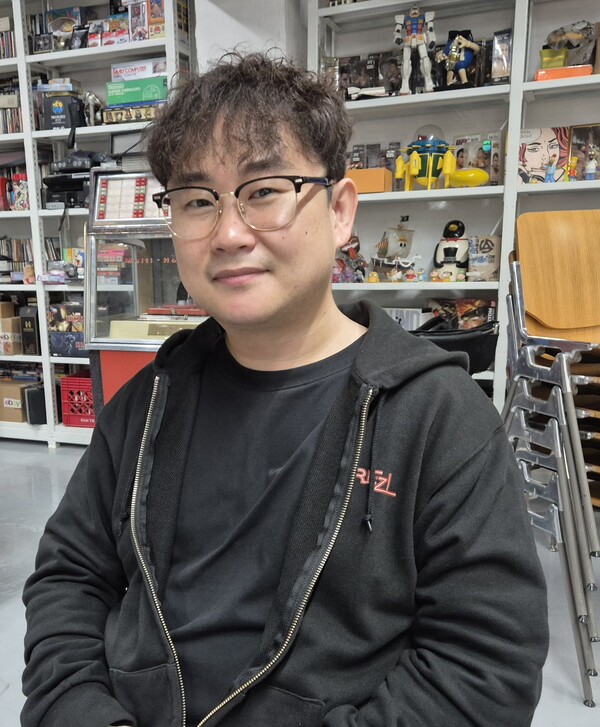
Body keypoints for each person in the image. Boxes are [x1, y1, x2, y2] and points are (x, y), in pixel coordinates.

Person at [21, 51, 548, 727]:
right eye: (197, 201)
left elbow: (484, 668)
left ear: (339, 211)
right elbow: (69, 580)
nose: (229, 233)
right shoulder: (146, 405)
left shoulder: (438, 419)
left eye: (265, 190)